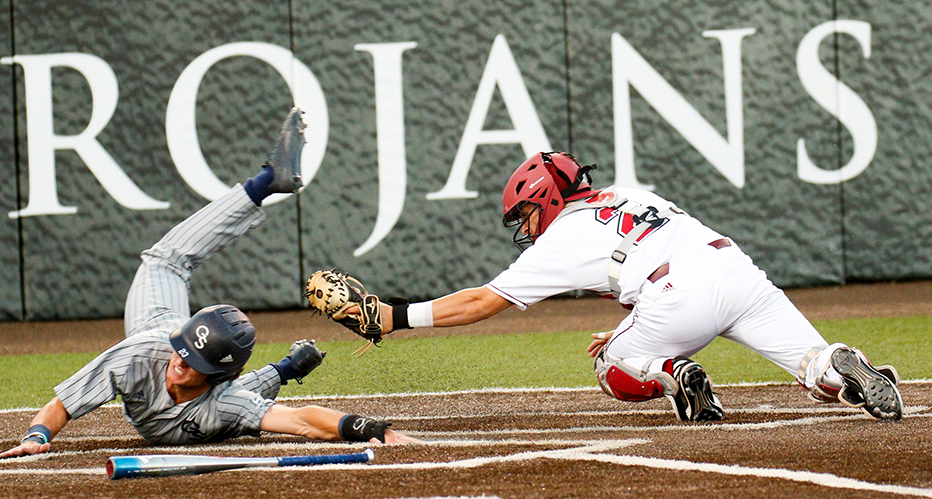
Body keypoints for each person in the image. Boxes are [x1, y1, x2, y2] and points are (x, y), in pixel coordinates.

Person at [0, 108, 416, 459]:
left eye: (192, 361)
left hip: (210, 407)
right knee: (166, 259)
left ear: (216, 375)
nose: (178, 361)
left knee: (239, 407)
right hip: (156, 323)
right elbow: (62, 405)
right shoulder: (143, 354)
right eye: (183, 350)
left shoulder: (227, 396)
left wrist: (370, 429)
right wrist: (37, 437)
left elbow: (300, 420)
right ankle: (265, 183)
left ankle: (287, 368)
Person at [372, 151, 903, 423]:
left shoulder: (560, 236)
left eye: (527, 211)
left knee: (610, 365)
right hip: (737, 271)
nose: (526, 226)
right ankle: (841, 362)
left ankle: (672, 373)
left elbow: (480, 302)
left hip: (675, 296)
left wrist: (394, 317)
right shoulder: (627, 192)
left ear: (548, 198)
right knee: (812, 368)